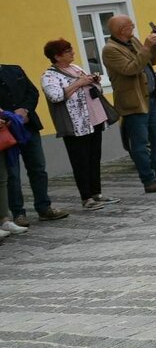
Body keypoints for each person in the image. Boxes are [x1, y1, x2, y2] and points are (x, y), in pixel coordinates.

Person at [101, 14, 156, 193]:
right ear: (121, 30)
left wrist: (154, 45)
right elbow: (131, 69)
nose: (133, 27)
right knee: (139, 143)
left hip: (151, 98)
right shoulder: (110, 50)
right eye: (130, 25)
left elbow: (151, 61)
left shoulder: (134, 41)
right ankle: (148, 180)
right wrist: (146, 46)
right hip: (134, 102)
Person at [40, 42, 113, 210]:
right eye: (68, 51)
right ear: (57, 56)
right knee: (80, 161)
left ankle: (97, 193)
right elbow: (56, 96)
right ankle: (86, 198)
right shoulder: (49, 76)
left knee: (94, 158)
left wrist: (94, 80)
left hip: (94, 119)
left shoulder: (75, 67)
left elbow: (93, 88)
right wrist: (79, 83)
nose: (73, 52)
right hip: (75, 125)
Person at [2, 60, 67, 232]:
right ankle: (18, 213)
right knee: (12, 174)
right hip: (7, 130)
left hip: (29, 126)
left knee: (38, 168)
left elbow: (32, 92)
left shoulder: (14, 69)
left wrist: (25, 110)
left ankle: (44, 207)